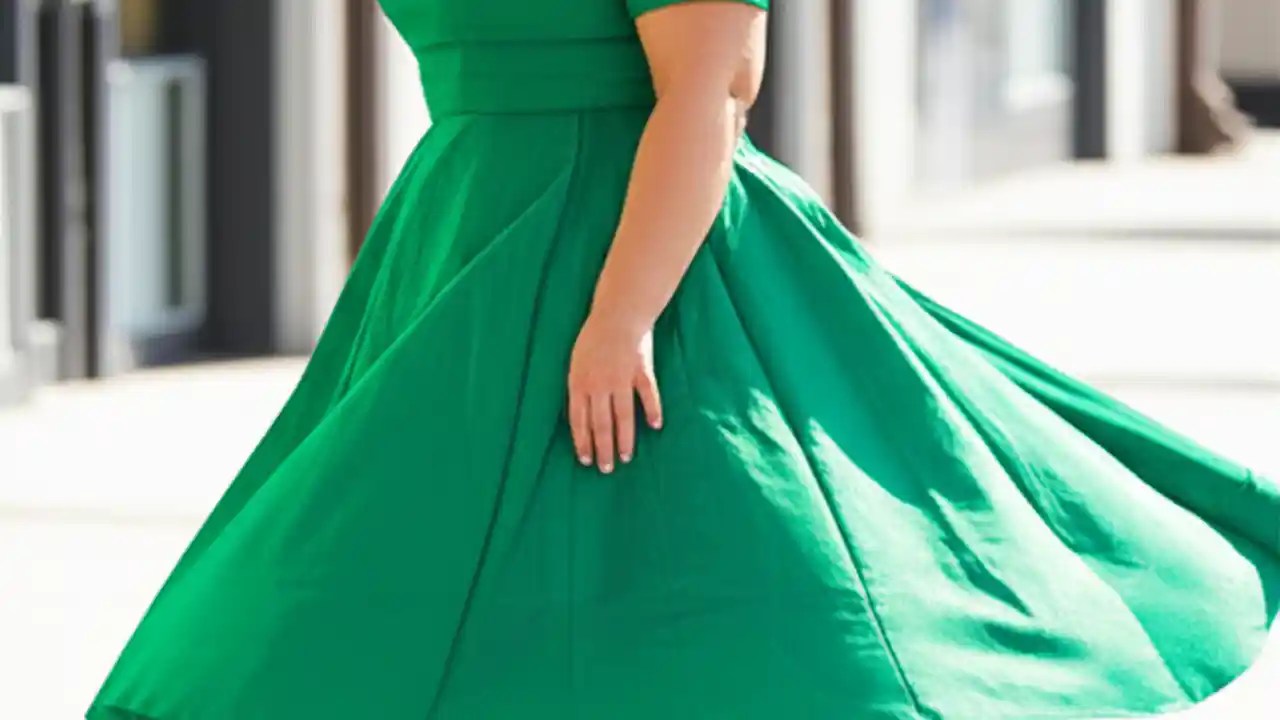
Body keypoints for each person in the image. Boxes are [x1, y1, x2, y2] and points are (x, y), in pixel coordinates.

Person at [88, 2, 1278, 718]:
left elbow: (710, 87)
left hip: (655, 255)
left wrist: (619, 316)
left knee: (748, 610)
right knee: (334, 604)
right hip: (459, 243)